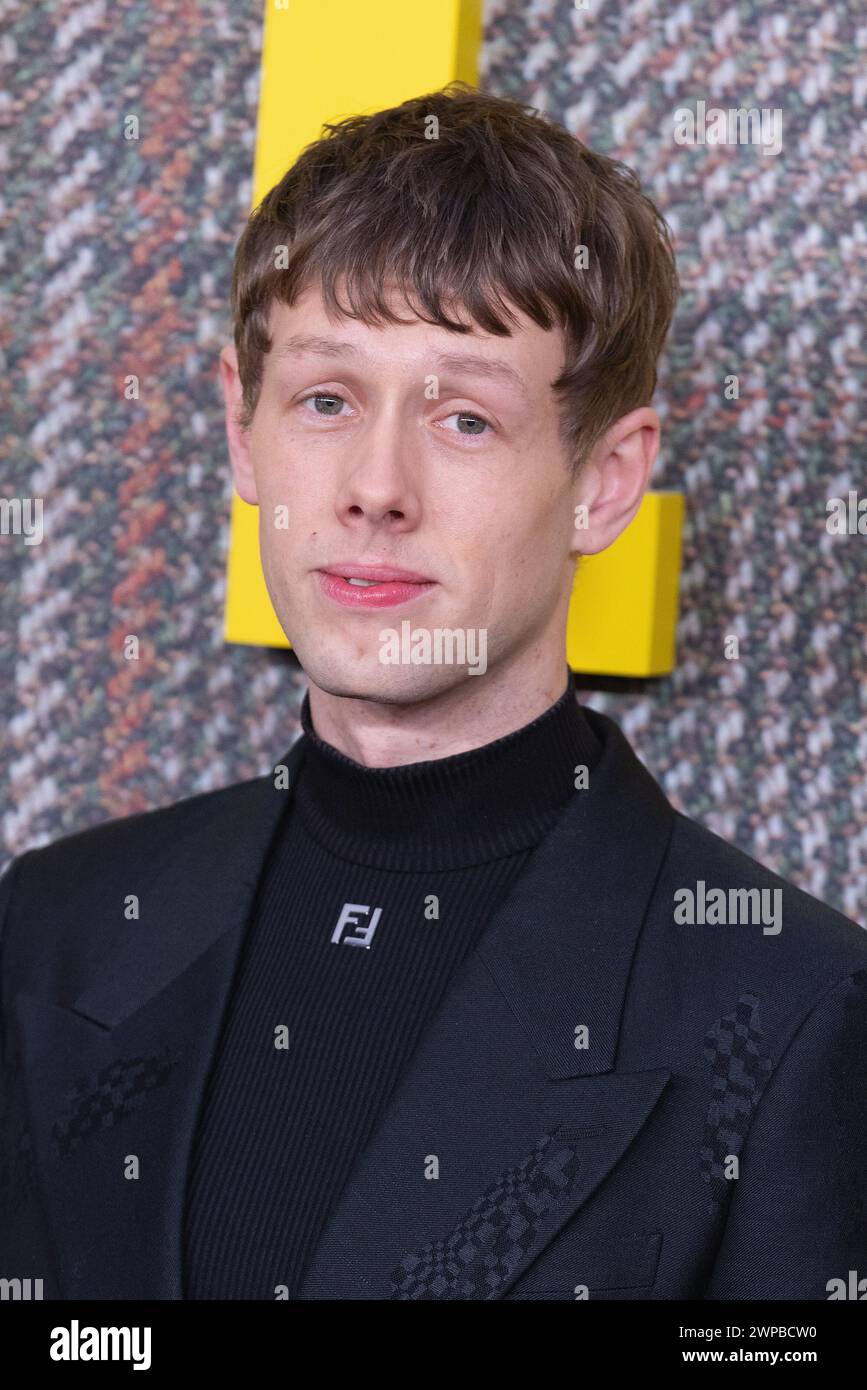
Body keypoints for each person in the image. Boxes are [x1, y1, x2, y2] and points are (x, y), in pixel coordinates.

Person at [1, 84, 865, 1302]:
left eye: (464, 417)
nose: (376, 487)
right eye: (327, 400)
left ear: (605, 479)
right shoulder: (58, 923)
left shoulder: (795, 1007)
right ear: (244, 433)